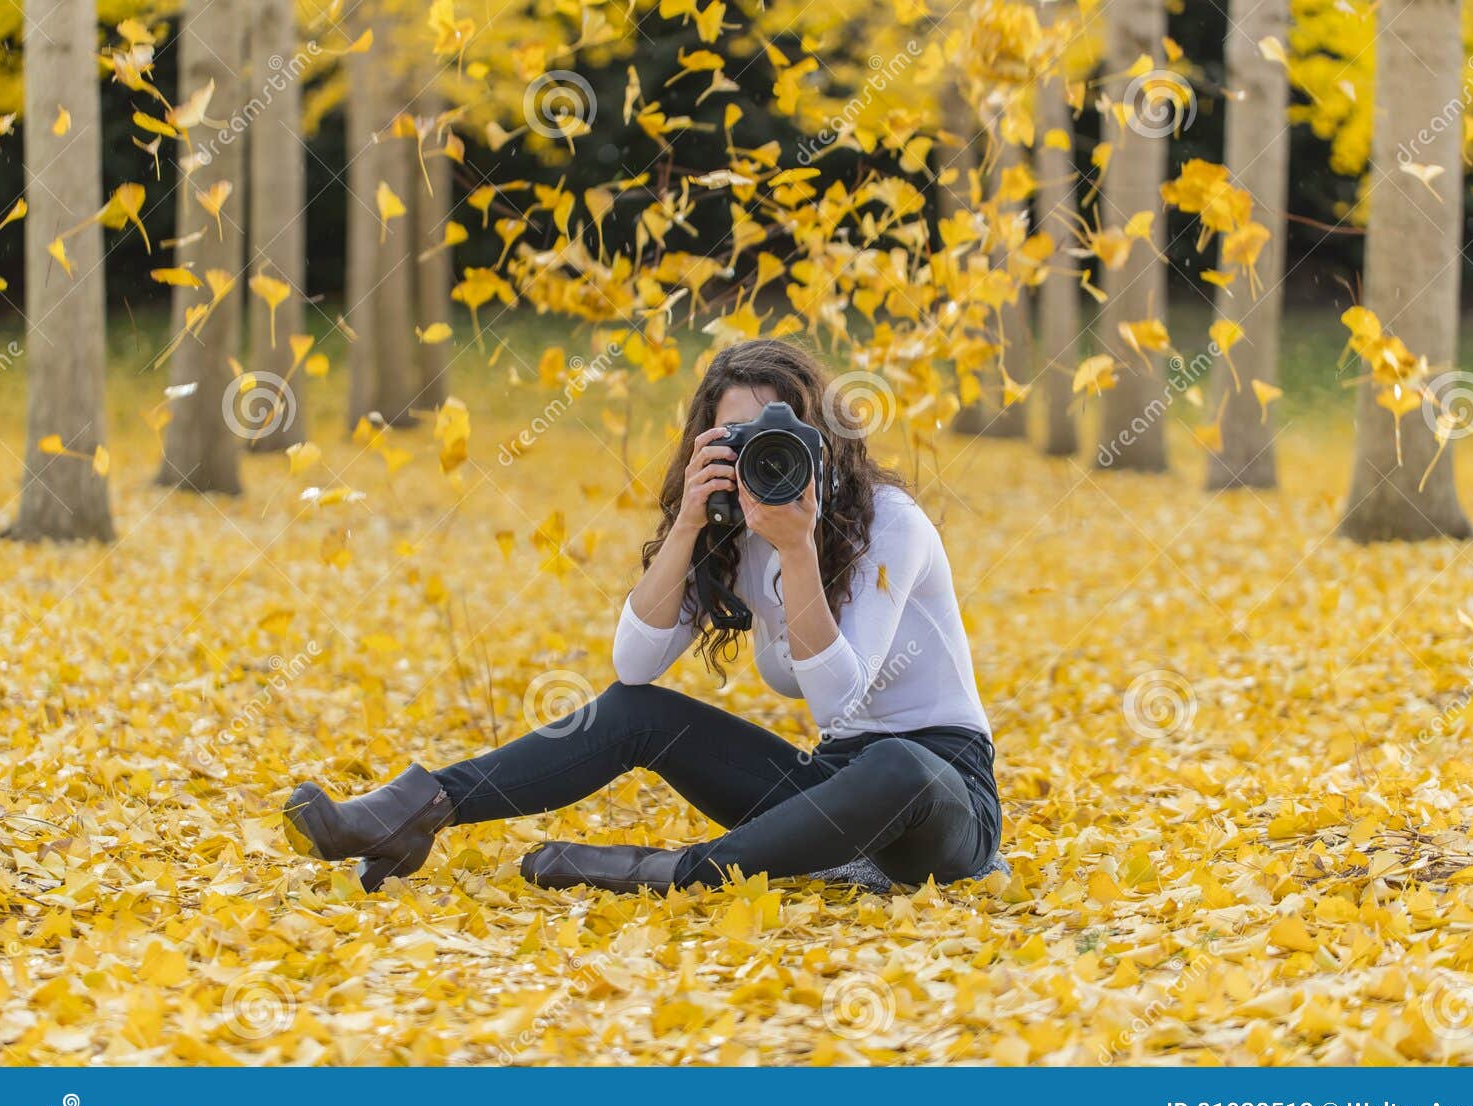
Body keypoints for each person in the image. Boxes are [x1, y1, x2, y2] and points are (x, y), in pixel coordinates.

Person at [283, 338, 1001, 894]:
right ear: (706, 445)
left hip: (942, 800)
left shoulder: (887, 524)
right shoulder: (734, 532)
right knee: (638, 711)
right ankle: (418, 807)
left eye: (778, 438)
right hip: (831, 790)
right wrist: (691, 521)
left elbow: (841, 703)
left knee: (896, 762)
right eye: (735, 439)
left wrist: (798, 546)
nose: (761, 458)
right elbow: (632, 667)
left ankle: (669, 871)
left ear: (821, 441)